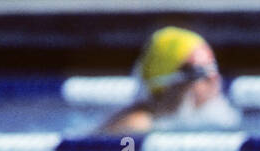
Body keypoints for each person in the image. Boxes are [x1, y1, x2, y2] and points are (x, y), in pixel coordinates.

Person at [100, 26, 236, 134]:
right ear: (171, 81)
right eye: (200, 72)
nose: (214, 78)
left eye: (214, 67)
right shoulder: (135, 126)